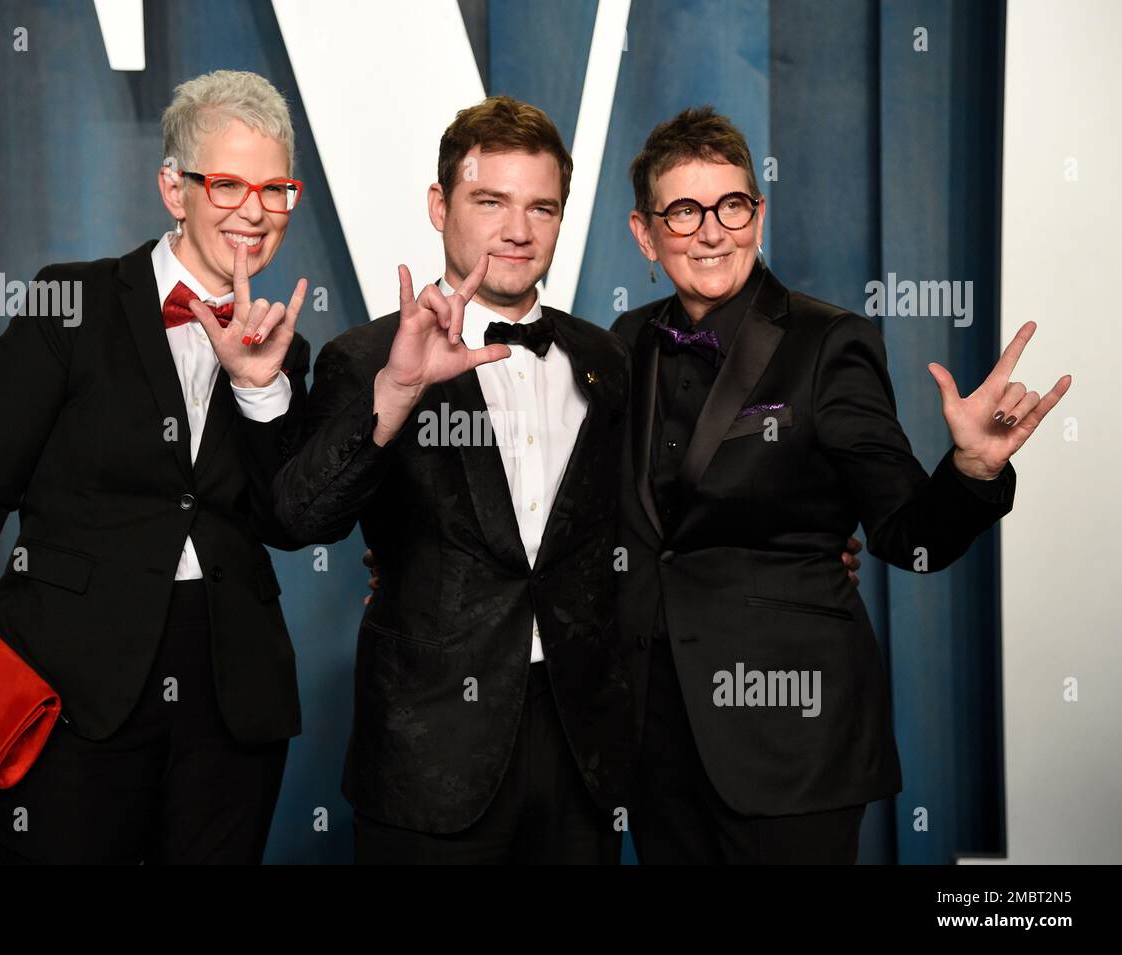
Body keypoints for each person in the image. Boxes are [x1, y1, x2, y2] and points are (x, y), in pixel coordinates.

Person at [613, 105, 1071, 864]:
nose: (712, 230)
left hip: (792, 735)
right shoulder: (628, 344)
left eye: (731, 204)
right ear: (645, 234)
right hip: (658, 738)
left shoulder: (828, 342)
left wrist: (972, 471)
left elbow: (906, 533)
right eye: (684, 210)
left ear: (758, 215)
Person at [0, 69, 311, 864]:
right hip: (71, 688)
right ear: (173, 189)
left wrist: (261, 390)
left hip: (233, 698)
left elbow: (286, 522)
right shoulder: (67, 304)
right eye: (229, 183)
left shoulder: (287, 349)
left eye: (275, 187)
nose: (255, 210)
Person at [272, 97, 635, 864]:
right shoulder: (366, 357)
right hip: (428, 751)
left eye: (542, 206)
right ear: (440, 206)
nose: (518, 229)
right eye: (490, 200)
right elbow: (303, 516)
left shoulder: (604, 358)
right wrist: (395, 399)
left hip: (583, 748)